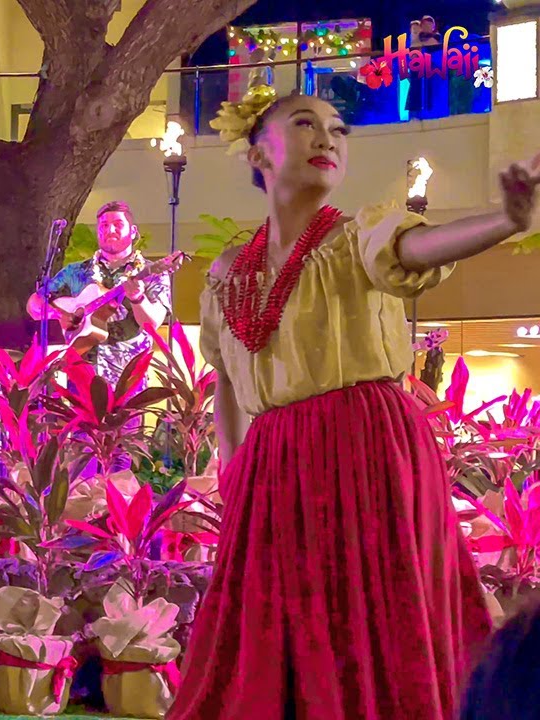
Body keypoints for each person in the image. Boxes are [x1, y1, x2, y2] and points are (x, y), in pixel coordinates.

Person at [170, 87, 537, 719]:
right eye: (306, 124)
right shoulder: (229, 271)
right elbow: (228, 378)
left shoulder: (357, 236)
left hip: (366, 445)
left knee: (373, 611)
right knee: (275, 621)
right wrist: (233, 475)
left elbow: (417, 248)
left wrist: (506, 220)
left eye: (338, 130)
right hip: (273, 459)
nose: (328, 138)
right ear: (259, 152)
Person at [26, 200, 169, 471]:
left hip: (126, 380)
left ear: (133, 231)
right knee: (81, 460)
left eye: (118, 224)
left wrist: (137, 297)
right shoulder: (75, 273)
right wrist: (61, 314)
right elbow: (34, 305)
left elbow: (152, 323)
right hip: (83, 378)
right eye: (104, 225)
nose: (110, 230)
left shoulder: (149, 274)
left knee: (120, 461)